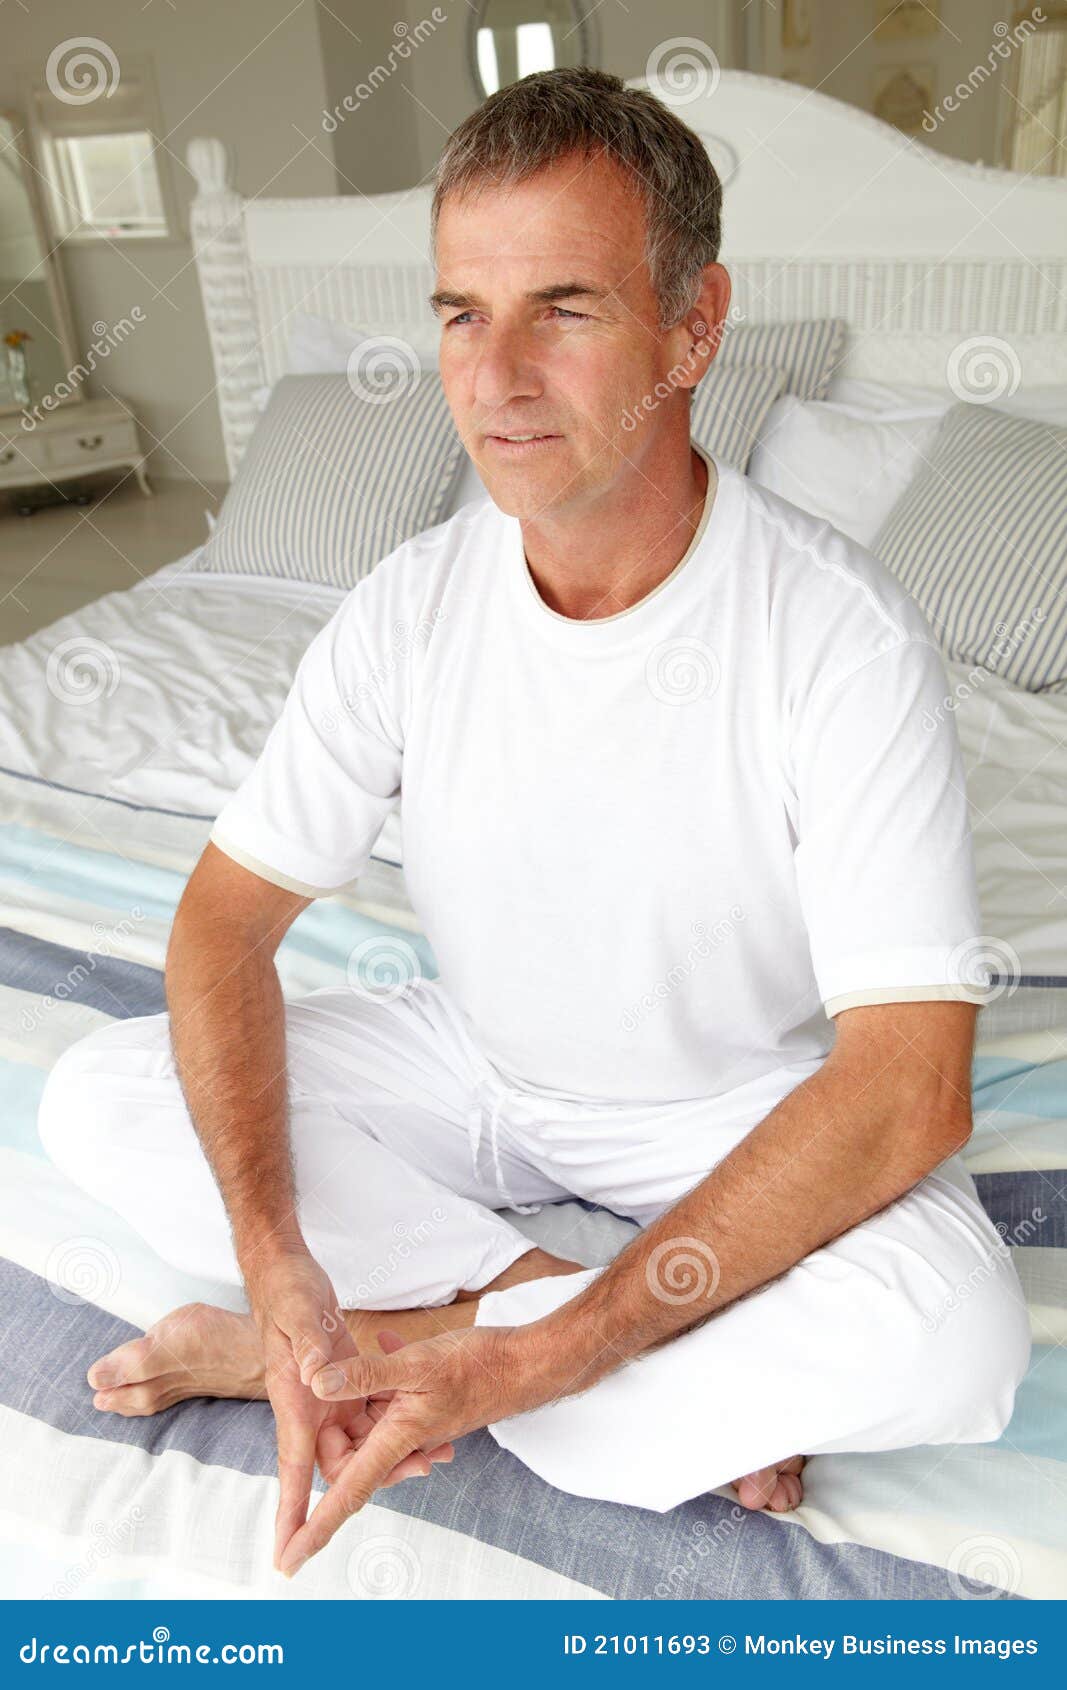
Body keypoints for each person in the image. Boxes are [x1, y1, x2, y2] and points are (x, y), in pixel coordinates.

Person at [38, 68, 1030, 1582]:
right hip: (479, 1062)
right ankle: (503, 1331)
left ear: (694, 327)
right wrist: (280, 1259)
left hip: (733, 1111)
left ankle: (429, 1350)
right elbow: (227, 918)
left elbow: (908, 1093)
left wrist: (548, 1350)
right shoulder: (408, 605)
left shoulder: (842, 639)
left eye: (563, 309)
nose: (495, 377)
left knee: (956, 1337)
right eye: (458, 312)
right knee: (100, 1092)